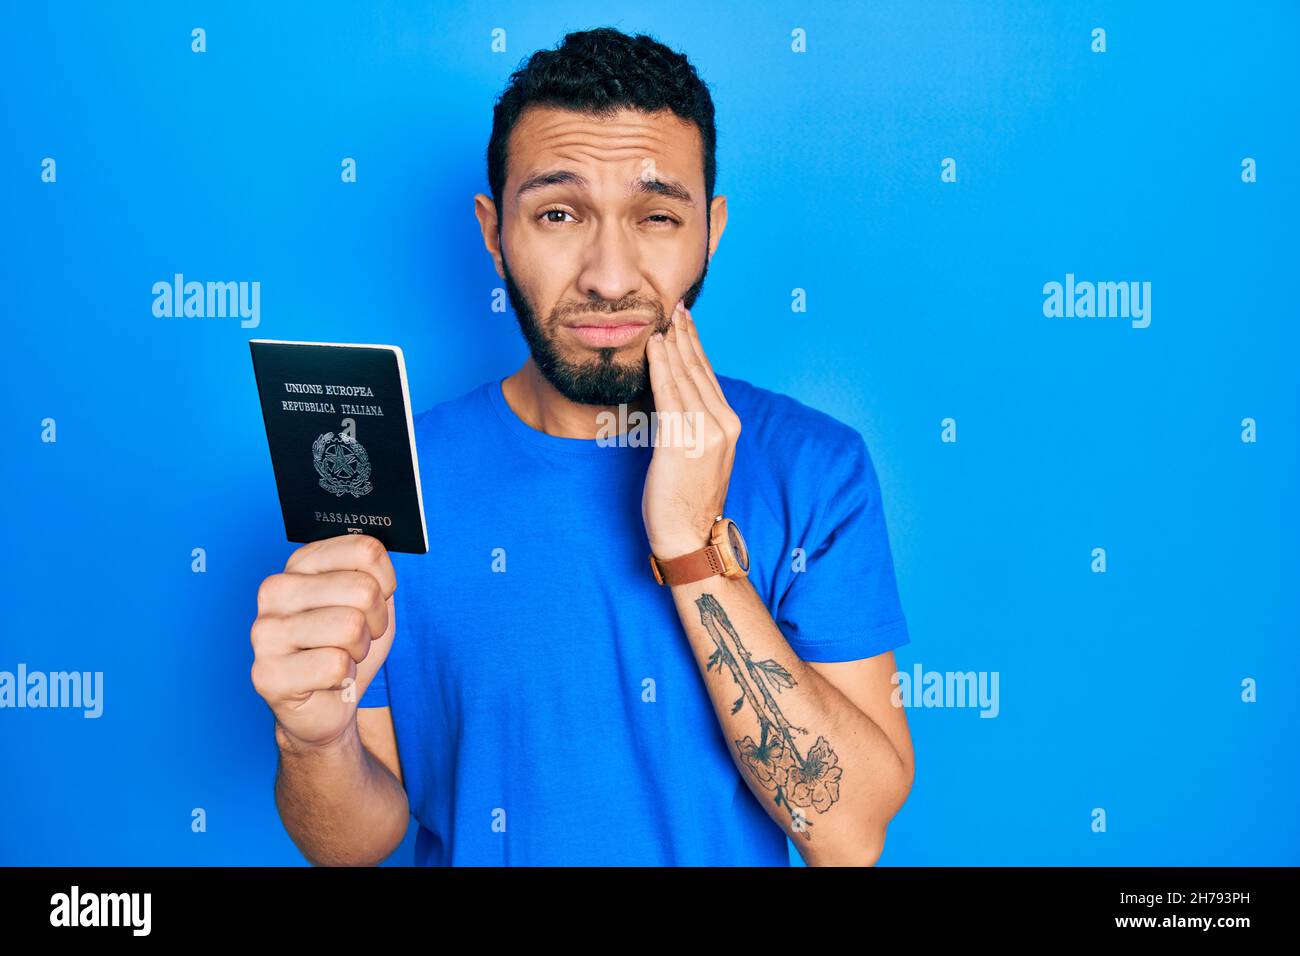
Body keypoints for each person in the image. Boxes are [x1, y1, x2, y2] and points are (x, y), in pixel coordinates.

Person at [250, 27, 914, 867]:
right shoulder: (385, 473)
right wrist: (312, 741)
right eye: (559, 213)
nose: (607, 274)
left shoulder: (814, 468)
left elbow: (847, 831)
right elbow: (353, 844)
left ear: (710, 230)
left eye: (657, 216)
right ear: (494, 231)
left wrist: (690, 546)